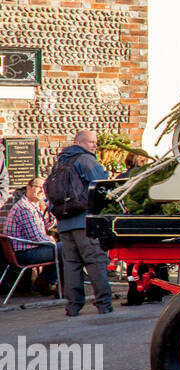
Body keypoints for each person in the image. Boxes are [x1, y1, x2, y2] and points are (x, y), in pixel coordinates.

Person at [51, 130, 113, 316]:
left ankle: (73, 307)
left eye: (95, 142)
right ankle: (104, 304)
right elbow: (102, 187)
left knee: (71, 264)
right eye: (91, 142)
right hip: (85, 221)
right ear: (79, 142)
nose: (94, 145)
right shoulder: (86, 160)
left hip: (64, 221)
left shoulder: (60, 162)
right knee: (96, 261)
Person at [3, 177, 59, 294]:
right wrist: (52, 241)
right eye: (38, 187)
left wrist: (48, 210)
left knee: (62, 247)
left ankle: (44, 282)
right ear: (28, 188)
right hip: (24, 254)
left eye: (44, 188)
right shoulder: (24, 208)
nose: (41, 191)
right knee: (66, 249)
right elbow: (37, 237)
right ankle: (47, 283)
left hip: (28, 249)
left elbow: (46, 227)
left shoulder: (34, 206)